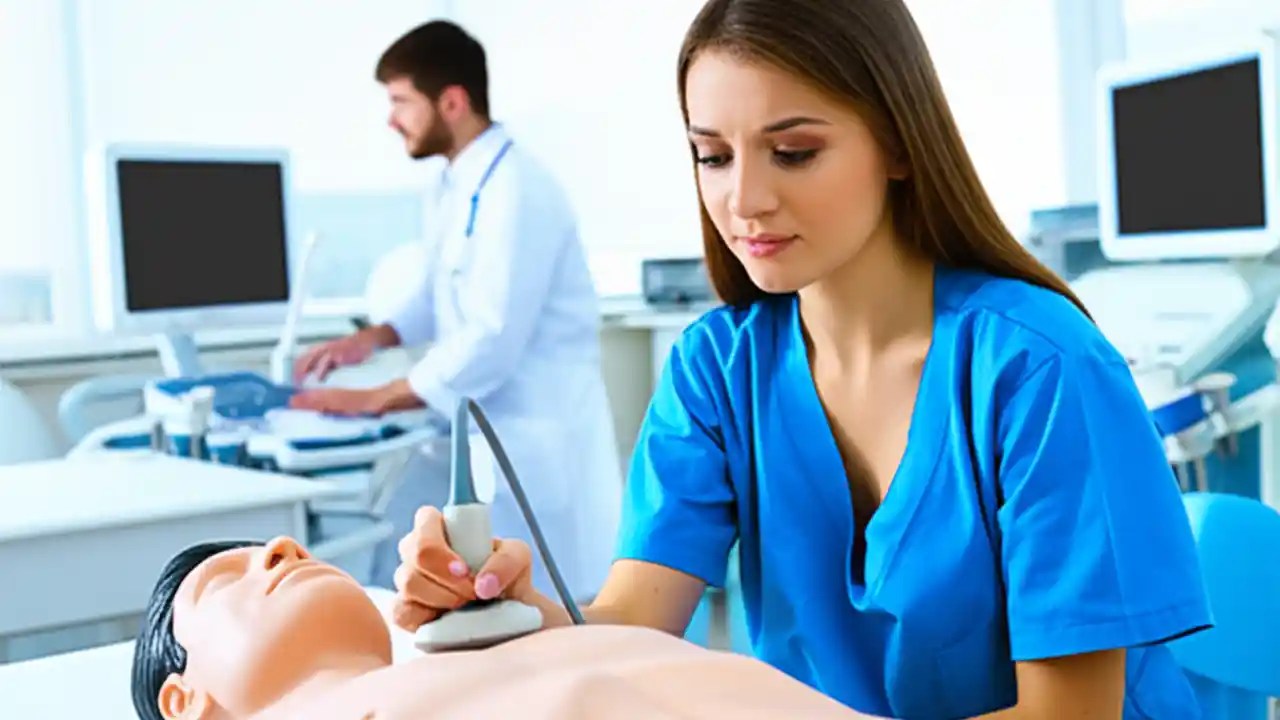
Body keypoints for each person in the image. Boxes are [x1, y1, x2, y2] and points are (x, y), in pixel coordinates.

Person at [388, 1, 1214, 719]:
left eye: (793, 152)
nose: (743, 200)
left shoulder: (1038, 368)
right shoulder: (717, 372)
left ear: (897, 142)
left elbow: (1068, 715)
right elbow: (637, 619)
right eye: (713, 156)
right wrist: (512, 606)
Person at [287, 20, 621, 600]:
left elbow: (491, 335)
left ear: (452, 101)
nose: (391, 120)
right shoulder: (454, 182)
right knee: (434, 572)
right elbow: (442, 294)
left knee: (539, 611)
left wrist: (376, 396)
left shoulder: (517, 188)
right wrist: (370, 340)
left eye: (400, 102)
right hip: (484, 428)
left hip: (535, 437)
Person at [130, 536, 869, 720]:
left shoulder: (509, 652)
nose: (281, 550)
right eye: (223, 580)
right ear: (184, 704)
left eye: (282, 546)